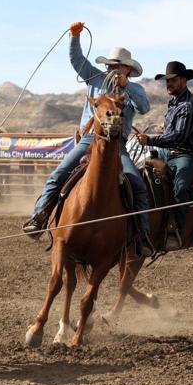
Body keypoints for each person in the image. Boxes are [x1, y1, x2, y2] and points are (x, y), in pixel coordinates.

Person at [23, 21, 153, 256]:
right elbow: (77, 60)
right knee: (59, 174)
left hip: (117, 145)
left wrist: (128, 88)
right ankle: (40, 216)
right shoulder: (94, 78)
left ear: (127, 70)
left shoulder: (136, 90)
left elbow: (144, 107)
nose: (113, 69)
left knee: (137, 183)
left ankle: (142, 235)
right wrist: (75, 37)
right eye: (111, 65)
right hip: (90, 139)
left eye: (118, 66)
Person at [137, 61, 193, 251]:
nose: (169, 84)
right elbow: (174, 131)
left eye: (173, 80)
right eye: (167, 81)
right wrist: (165, 127)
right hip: (169, 153)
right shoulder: (175, 103)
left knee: (180, 188)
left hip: (187, 154)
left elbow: (179, 137)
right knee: (143, 177)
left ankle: (176, 231)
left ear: (184, 80)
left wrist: (150, 140)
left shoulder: (189, 105)